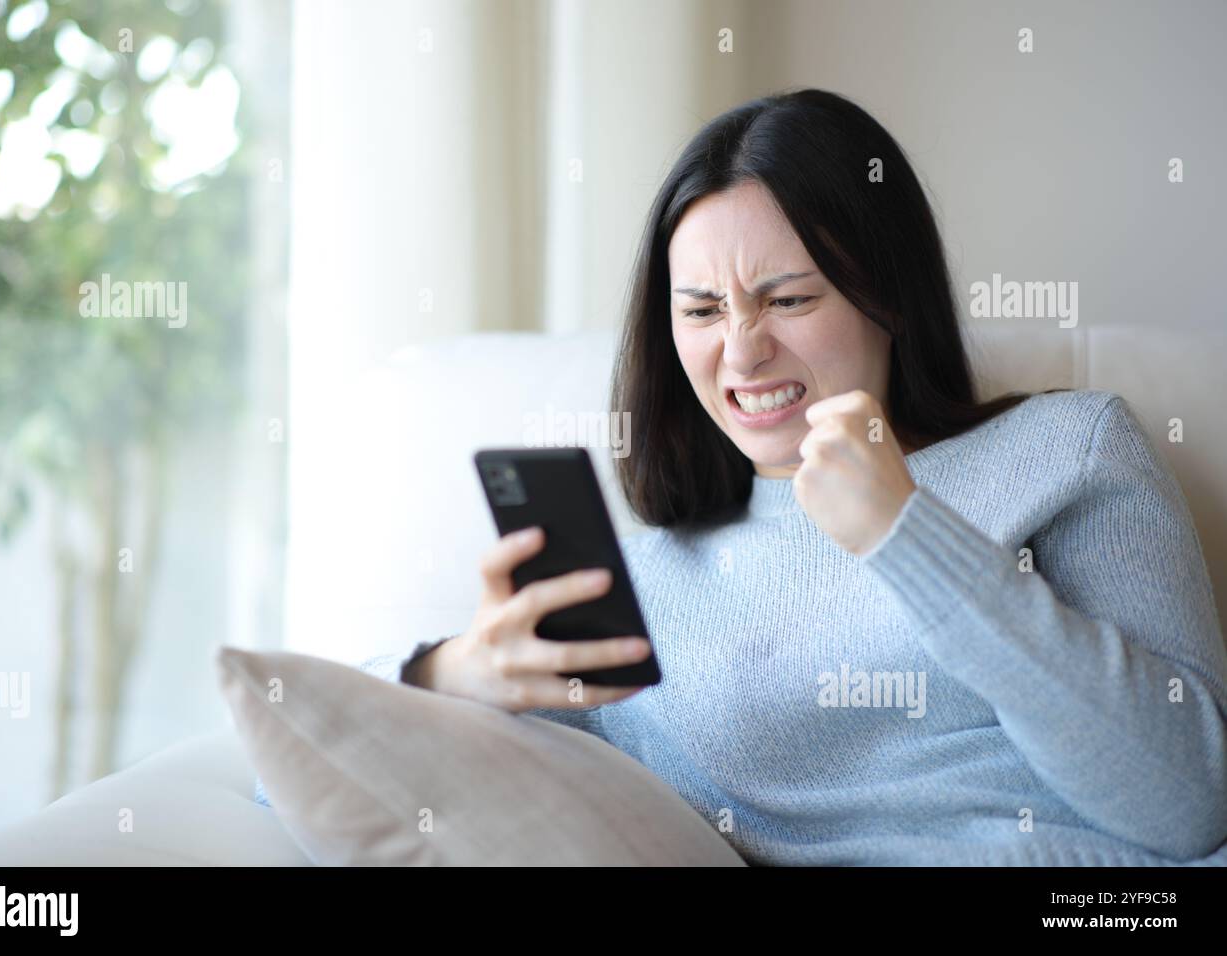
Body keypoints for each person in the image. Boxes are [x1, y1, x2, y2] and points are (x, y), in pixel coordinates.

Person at [259, 89, 1227, 867]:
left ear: (886, 293)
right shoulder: (648, 588)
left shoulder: (1069, 447)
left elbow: (1186, 802)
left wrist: (908, 533)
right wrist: (450, 671)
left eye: (787, 297)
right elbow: (286, 750)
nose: (743, 350)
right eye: (701, 310)